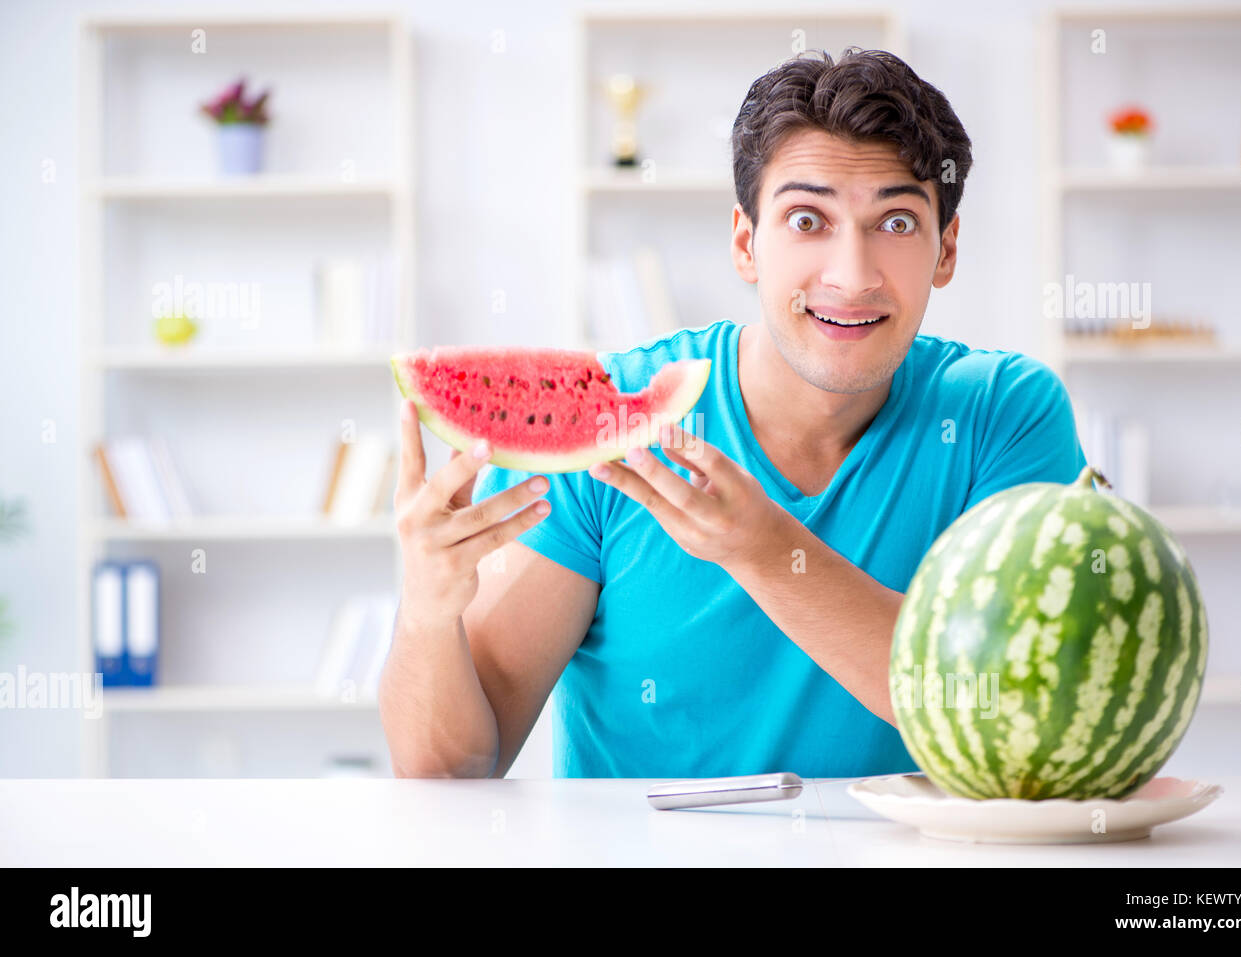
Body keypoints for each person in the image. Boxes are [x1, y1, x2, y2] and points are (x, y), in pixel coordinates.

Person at [380, 48, 1087, 779]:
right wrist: (428, 613)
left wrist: (765, 551)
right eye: (808, 219)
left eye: (898, 223)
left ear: (945, 250)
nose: (851, 274)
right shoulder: (615, 429)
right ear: (747, 242)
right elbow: (454, 769)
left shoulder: (1005, 415)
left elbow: (1017, 717)